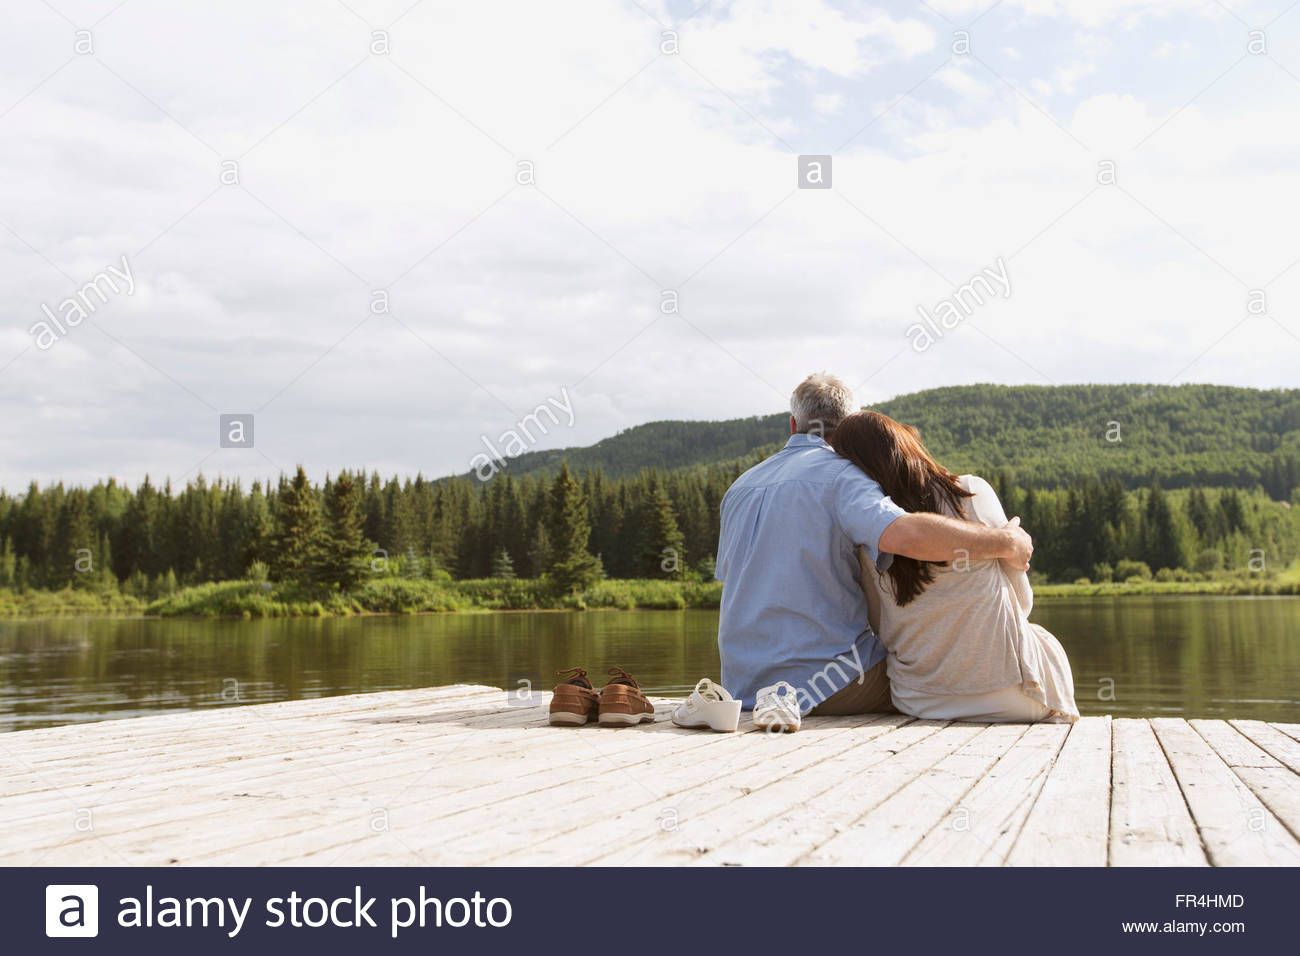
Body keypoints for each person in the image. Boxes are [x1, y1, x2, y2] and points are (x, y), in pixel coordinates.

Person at [715, 373, 1035, 717]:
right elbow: (904, 535)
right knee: (920, 675)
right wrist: (1006, 541)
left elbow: (732, 579)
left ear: (794, 424)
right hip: (829, 686)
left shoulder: (740, 487)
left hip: (743, 686)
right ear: (853, 424)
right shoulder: (843, 476)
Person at [829, 410, 1078, 722]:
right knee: (1042, 639)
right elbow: (1022, 603)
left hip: (919, 700)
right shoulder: (971, 492)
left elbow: (882, 628)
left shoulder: (867, 532)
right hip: (1013, 697)